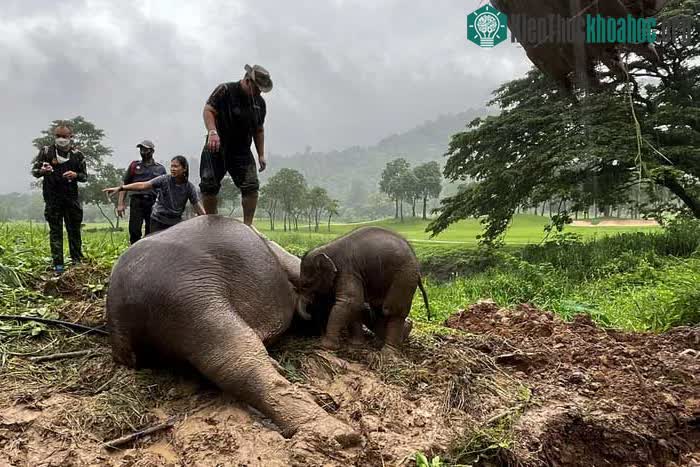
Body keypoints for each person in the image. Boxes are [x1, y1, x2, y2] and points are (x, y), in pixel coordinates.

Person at [200, 63, 272, 225]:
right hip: (217, 145)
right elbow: (208, 110)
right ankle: (211, 222)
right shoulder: (225, 90)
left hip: (241, 148)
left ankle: (248, 226)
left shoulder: (259, 103)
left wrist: (261, 154)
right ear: (247, 81)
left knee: (251, 186)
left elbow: (259, 130)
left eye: (261, 90)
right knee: (209, 185)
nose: (258, 92)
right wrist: (212, 132)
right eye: (257, 88)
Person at [31, 125, 87, 274]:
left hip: (71, 199)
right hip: (52, 199)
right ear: (54, 136)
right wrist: (43, 171)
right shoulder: (46, 152)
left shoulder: (77, 155)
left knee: (74, 231)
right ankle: (58, 266)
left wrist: (75, 175)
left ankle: (77, 264)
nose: (61, 139)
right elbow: (34, 172)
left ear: (71, 137)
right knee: (55, 232)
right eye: (58, 136)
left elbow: (84, 176)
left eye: (65, 136)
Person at [104, 156, 206, 233]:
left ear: (184, 169)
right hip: (158, 220)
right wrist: (121, 188)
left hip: (175, 223)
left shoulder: (189, 187)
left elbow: (197, 206)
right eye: (171, 166)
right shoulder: (164, 179)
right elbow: (143, 185)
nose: (172, 169)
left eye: (176, 166)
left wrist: (208, 220)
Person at [117, 140, 167, 244]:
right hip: (137, 201)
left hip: (153, 202)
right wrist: (120, 203)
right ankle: (134, 253)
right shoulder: (134, 166)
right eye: (141, 149)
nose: (143, 152)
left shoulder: (160, 168)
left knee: (152, 231)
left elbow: (165, 189)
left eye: (145, 149)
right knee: (134, 230)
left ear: (152, 151)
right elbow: (124, 185)